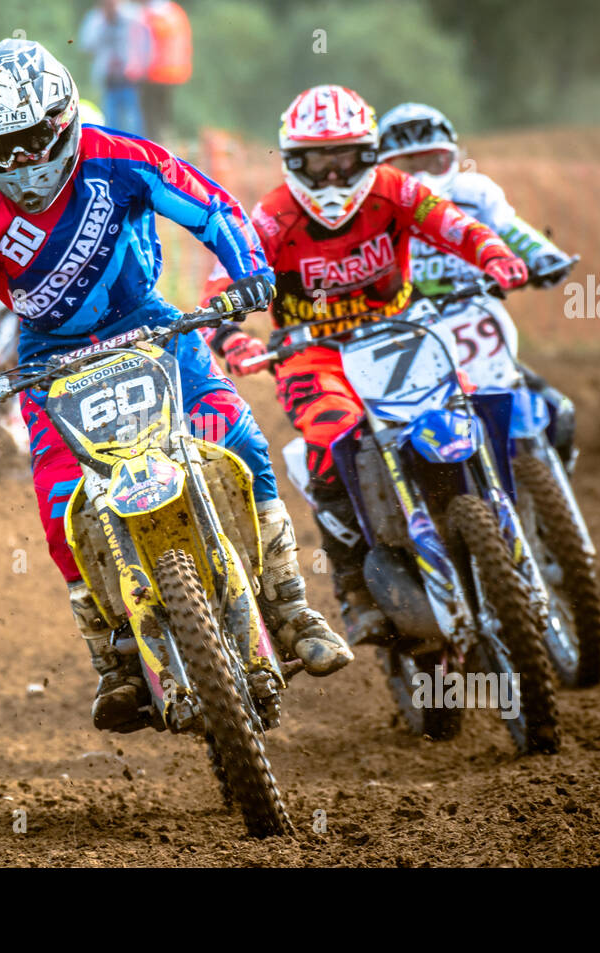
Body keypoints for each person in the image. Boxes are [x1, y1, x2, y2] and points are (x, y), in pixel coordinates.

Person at [0, 40, 351, 728]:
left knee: (240, 436)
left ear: (62, 119)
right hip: (50, 361)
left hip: (148, 326)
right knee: (61, 505)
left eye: (35, 138)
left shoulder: (118, 155)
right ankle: (112, 658)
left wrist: (247, 270)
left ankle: (293, 605)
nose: (26, 161)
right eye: (6, 147)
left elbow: (209, 204)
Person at [203, 85, 529, 646]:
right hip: (313, 353)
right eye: (317, 161)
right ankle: (354, 587)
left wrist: (493, 252)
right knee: (331, 436)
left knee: (469, 404)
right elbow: (222, 284)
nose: (332, 176)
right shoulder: (272, 217)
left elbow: (454, 224)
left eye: (345, 158)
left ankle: (510, 524)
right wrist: (232, 338)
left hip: (400, 335)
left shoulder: (395, 190)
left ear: (368, 154)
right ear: (294, 160)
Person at [378, 102, 578, 467]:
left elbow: (510, 229)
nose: (422, 175)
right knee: (389, 429)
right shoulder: (375, 210)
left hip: (474, 314)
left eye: (432, 161)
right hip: (406, 330)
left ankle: (552, 485)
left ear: (453, 158)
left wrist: (545, 257)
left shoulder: (475, 193)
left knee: (557, 412)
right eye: (407, 165)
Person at [78, 0, 146, 135]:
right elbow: (86, 44)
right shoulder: (96, 18)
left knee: (132, 120)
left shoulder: (134, 14)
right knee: (110, 121)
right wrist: (105, 24)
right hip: (107, 79)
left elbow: (144, 42)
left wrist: (140, 67)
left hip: (131, 79)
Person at [137, 0, 192, 142]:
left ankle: (155, 149)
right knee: (165, 118)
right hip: (173, 74)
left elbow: (142, 45)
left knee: (151, 119)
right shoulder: (176, 12)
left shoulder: (147, 15)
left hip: (152, 74)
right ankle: (167, 145)